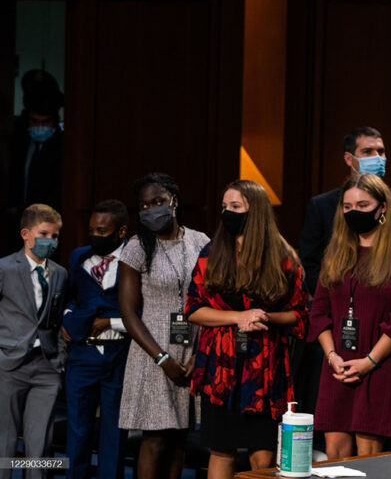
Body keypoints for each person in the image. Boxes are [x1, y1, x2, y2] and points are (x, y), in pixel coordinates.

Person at [185, 180, 309, 476]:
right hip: (221, 365)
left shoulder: (283, 256)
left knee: (263, 454)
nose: (227, 212)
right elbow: (193, 309)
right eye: (224, 207)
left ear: (256, 211)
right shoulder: (212, 252)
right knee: (221, 450)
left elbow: (299, 314)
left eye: (235, 206)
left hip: (265, 366)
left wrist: (264, 317)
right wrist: (238, 317)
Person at [308, 174, 391, 458]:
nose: (354, 212)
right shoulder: (336, 252)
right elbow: (319, 312)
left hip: (379, 365)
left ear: (382, 207)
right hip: (337, 365)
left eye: (362, 205)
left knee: (367, 459)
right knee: (334, 456)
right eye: (347, 207)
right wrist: (332, 356)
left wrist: (369, 362)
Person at [118, 173, 209, 479]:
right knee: (155, 439)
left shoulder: (200, 242)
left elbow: (213, 299)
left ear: (174, 201)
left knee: (180, 438)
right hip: (152, 353)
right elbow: (128, 313)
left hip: (192, 350)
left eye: (157, 201)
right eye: (143, 205)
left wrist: (199, 354)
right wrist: (161, 358)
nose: (150, 209)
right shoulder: (137, 247)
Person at [298, 126, 391, 294]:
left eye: (381, 152)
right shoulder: (321, 206)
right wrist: (331, 296)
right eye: (368, 152)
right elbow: (309, 262)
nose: (377, 157)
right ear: (349, 159)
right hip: (334, 297)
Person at [62, 200, 130, 479]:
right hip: (82, 354)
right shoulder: (79, 257)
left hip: (120, 353)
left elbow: (145, 311)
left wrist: (110, 322)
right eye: (92, 230)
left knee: (114, 432)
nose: (95, 236)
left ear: (121, 232)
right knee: (78, 429)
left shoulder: (135, 259)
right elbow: (69, 295)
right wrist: (67, 318)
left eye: (102, 232)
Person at [0, 204, 67, 479]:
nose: (50, 241)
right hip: (9, 364)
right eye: (44, 234)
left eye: (55, 236)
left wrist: (60, 357)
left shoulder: (60, 273)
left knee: (40, 446)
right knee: (4, 443)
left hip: (46, 366)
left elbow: (58, 318)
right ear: (25, 234)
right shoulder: (5, 268)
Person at [2, 70, 65, 257]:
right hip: (15, 224)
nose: (40, 127)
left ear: (54, 121)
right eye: (35, 121)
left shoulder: (63, 147)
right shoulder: (19, 143)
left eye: (45, 122)